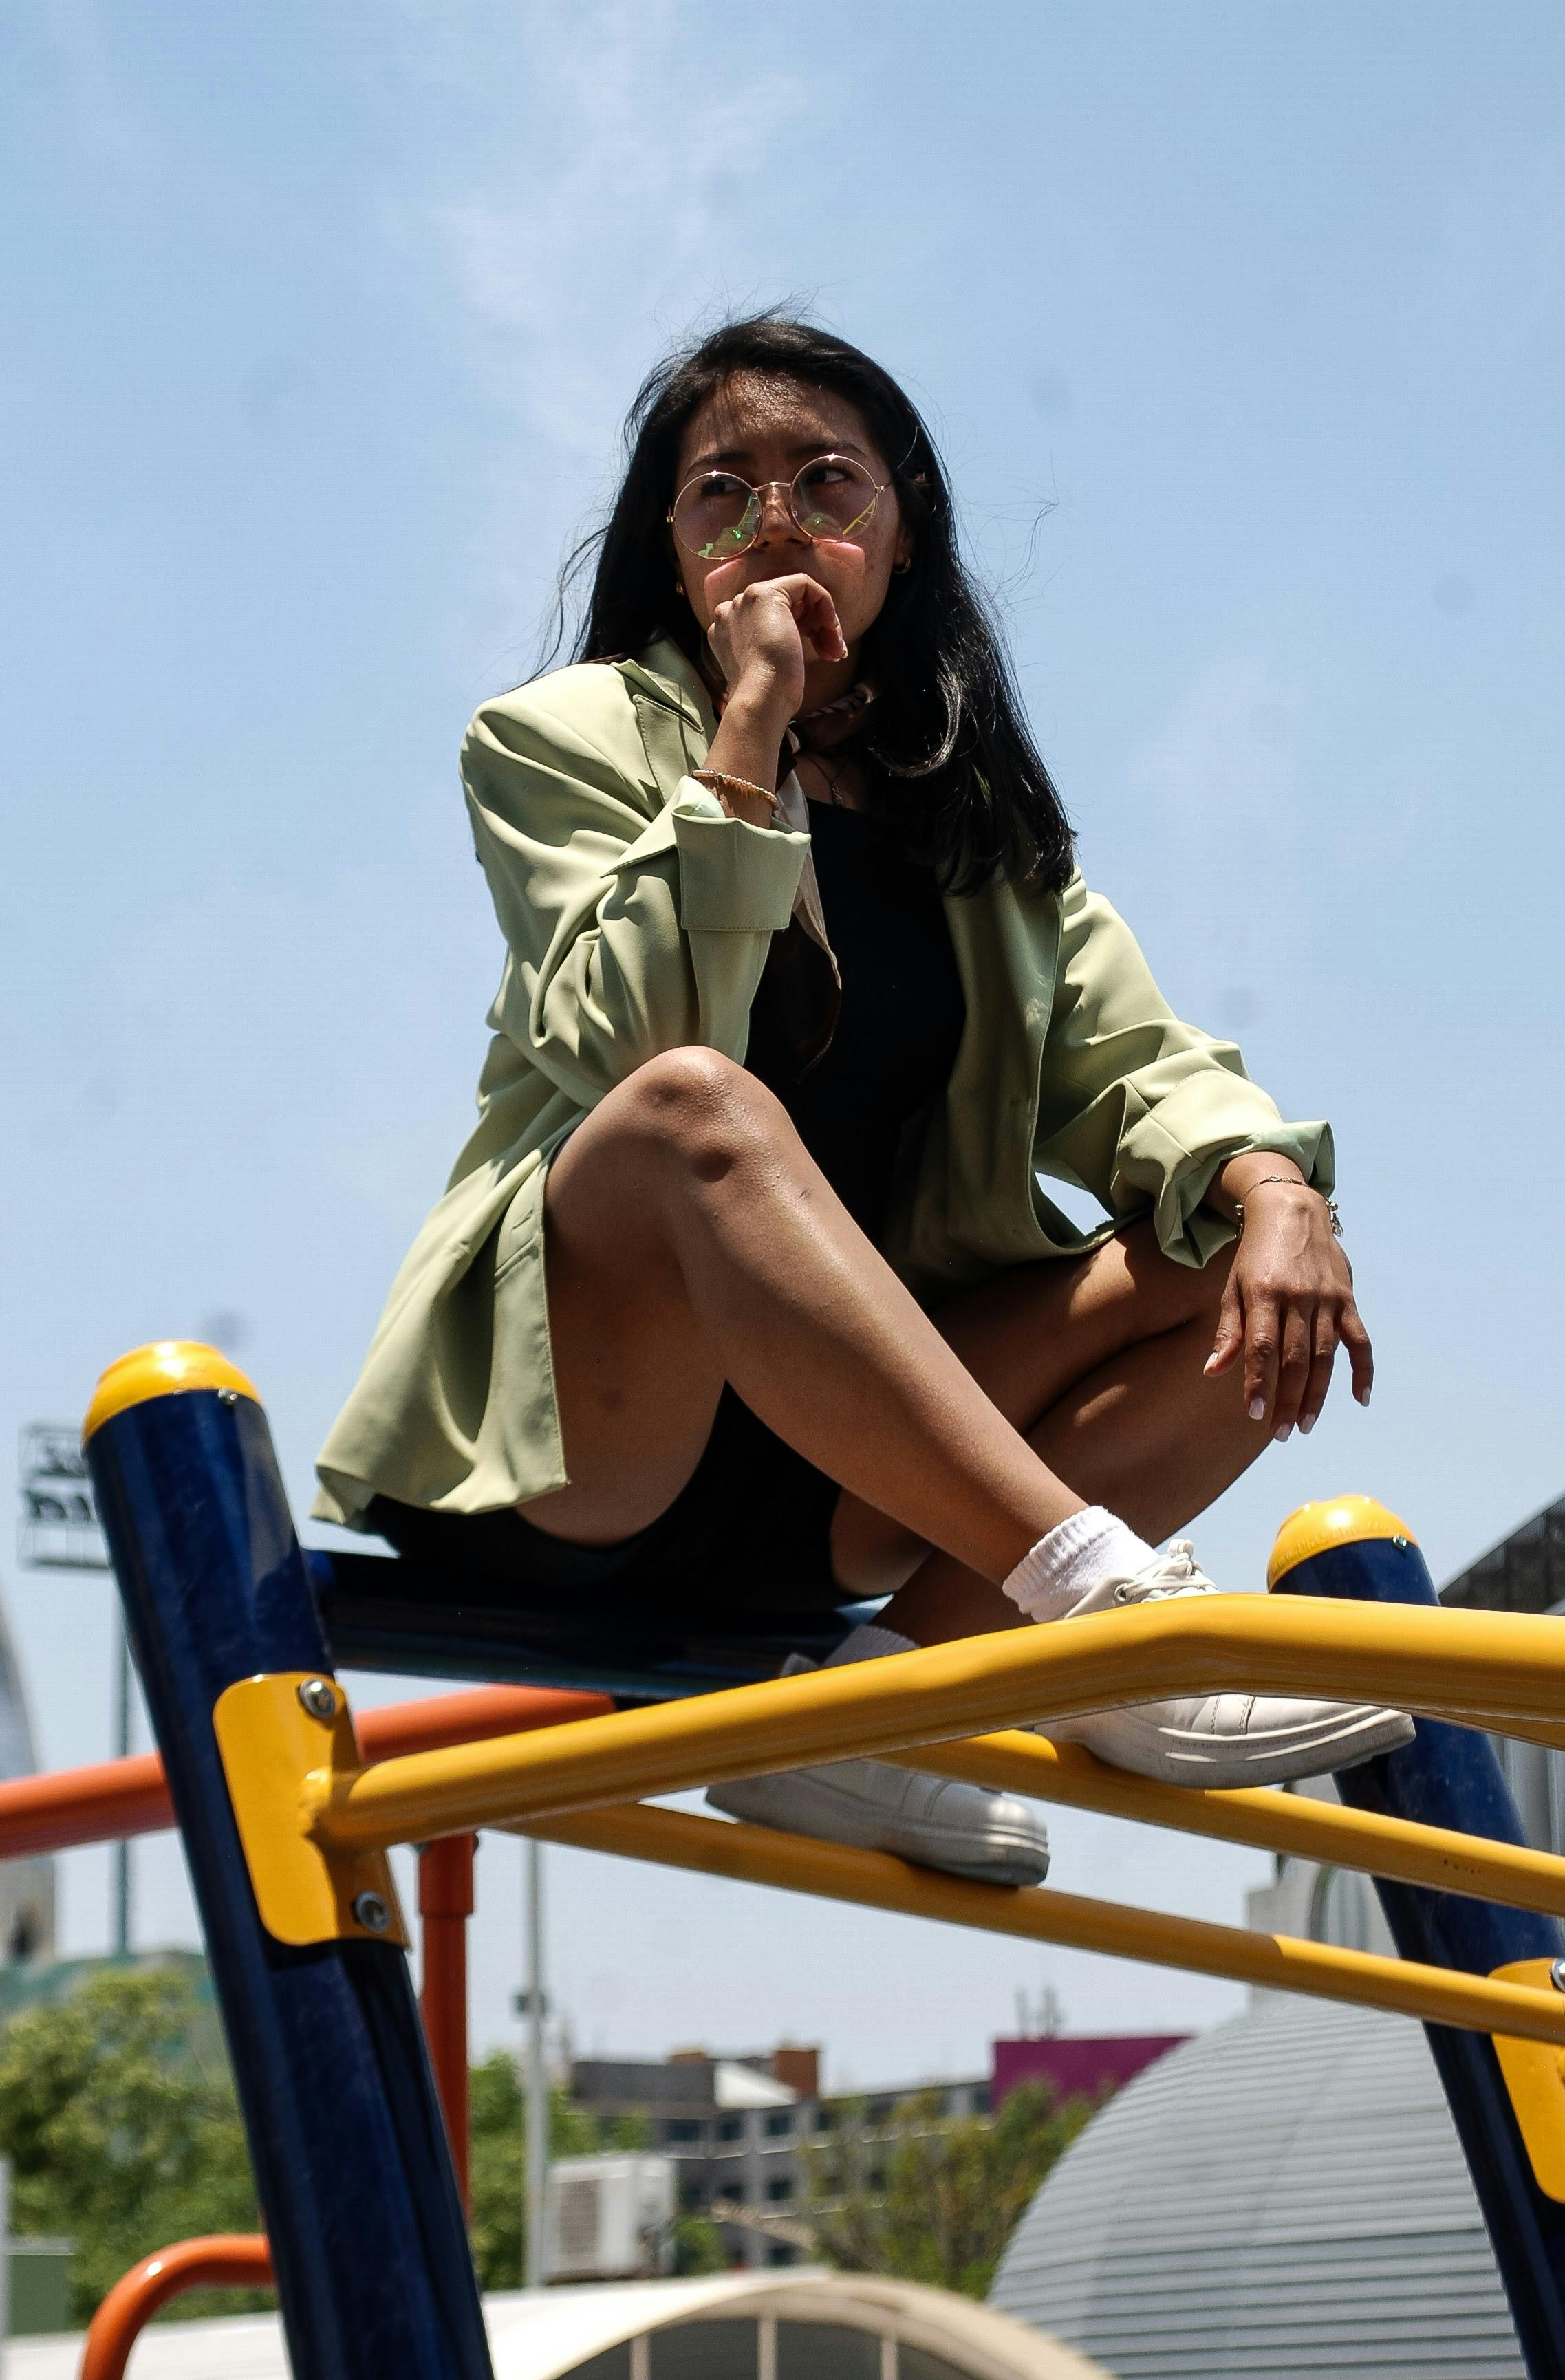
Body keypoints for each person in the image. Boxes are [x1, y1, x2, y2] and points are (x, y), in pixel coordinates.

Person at [314, 314, 1410, 1889]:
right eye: (720, 494)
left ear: (901, 537)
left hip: (854, 1479)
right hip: (587, 1450)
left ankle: (867, 1720)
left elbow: (1146, 1069)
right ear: (670, 548)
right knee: (701, 1106)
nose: (775, 525)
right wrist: (745, 732)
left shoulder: (982, 837)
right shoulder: (559, 738)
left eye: (826, 485)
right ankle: (1102, 1624)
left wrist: (1281, 1198)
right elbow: (638, 1038)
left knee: (1221, 1249)